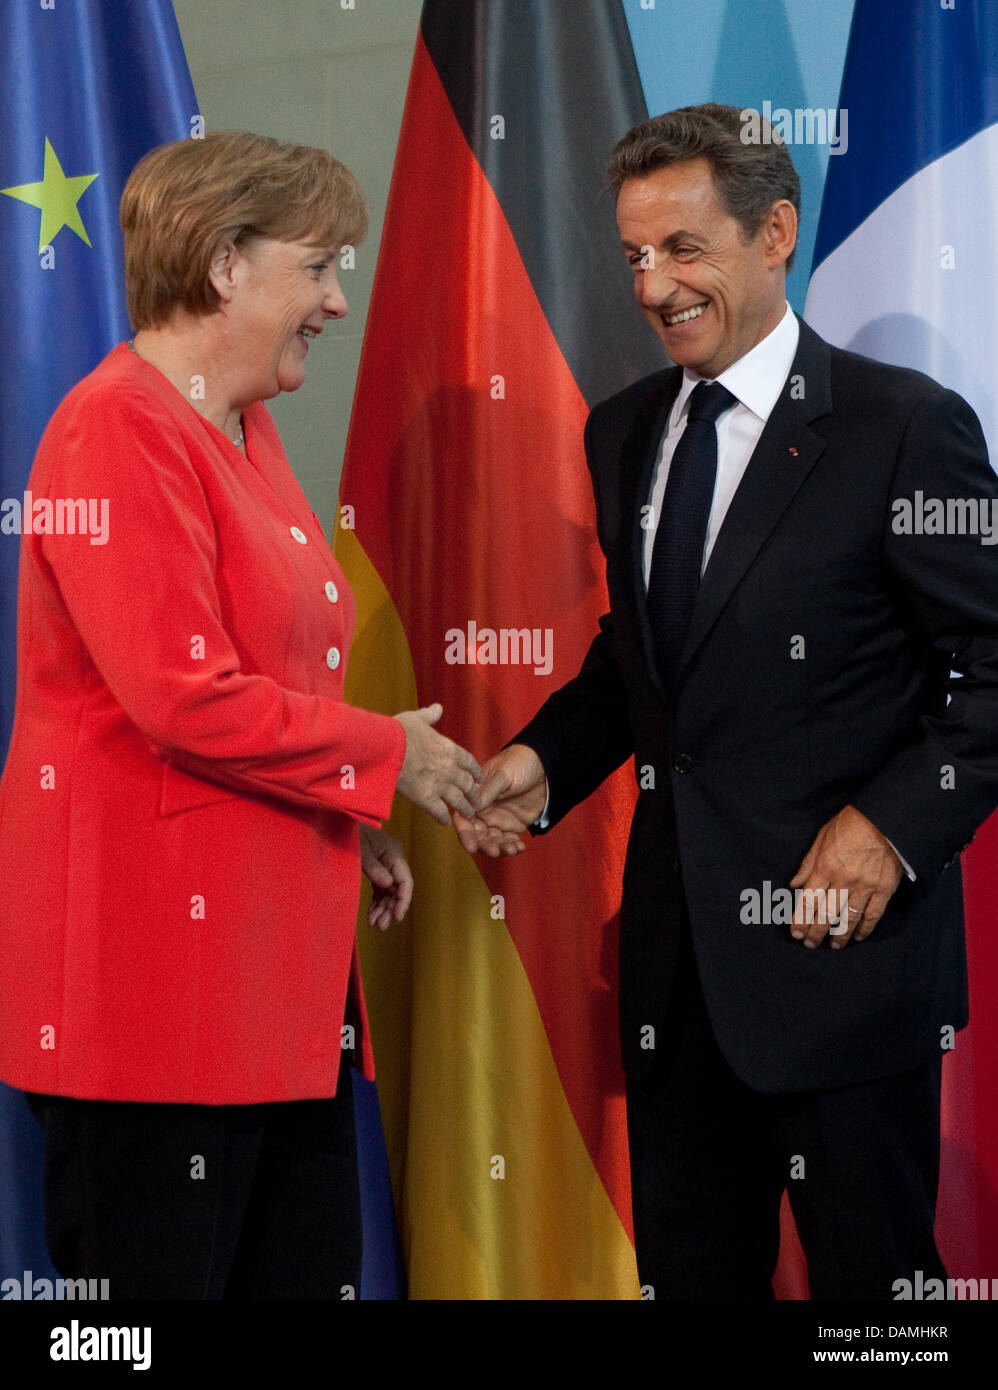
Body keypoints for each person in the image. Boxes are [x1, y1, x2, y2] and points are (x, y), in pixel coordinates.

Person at [455, 104, 998, 1300]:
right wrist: (536, 768)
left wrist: (890, 827)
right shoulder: (622, 432)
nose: (653, 284)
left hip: (837, 968)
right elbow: (642, 663)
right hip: (678, 977)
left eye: (682, 248)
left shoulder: (898, 426)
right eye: (635, 254)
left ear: (774, 234)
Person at [0, 129, 484, 1300]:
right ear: (224, 264)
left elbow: (266, 676)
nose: (334, 297)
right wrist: (388, 756)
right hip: (155, 996)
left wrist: (345, 810)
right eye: (318, 265)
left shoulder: (242, 422)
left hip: (274, 990)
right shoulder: (115, 426)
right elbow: (182, 695)